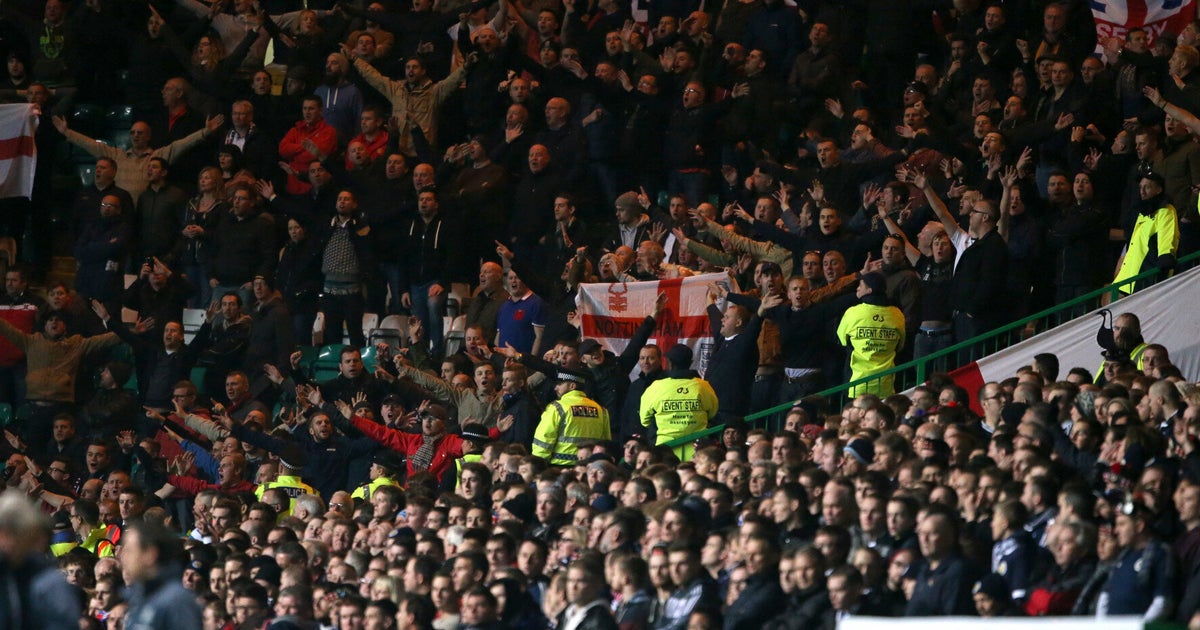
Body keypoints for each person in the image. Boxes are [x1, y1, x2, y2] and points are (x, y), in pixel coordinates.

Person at [639, 344, 718, 461]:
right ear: (691, 362)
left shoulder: (656, 387)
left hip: (665, 451)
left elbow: (644, 420)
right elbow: (712, 412)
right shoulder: (703, 386)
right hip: (698, 451)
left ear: (669, 363)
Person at [121, 520, 202, 629]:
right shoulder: (138, 597)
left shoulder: (177, 601)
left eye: (130, 551)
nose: (123, 557)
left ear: (150, 554)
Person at [836, 272, 905, 396]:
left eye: (860, 286)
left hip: (857, 385)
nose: (857, 288)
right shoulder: (897, 314)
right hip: (886, 385)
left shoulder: (853, 313)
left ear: (869, 290)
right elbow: (900, 345)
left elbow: (842, 341)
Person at [531, 369, 610, 467]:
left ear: (572, 386)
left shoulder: (556, 408)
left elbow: (543, 441)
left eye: (560, 384)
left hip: (559, 467)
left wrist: (538, 465)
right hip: (590, 466)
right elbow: (606, 443)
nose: (556, 388)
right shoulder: (601, 410)